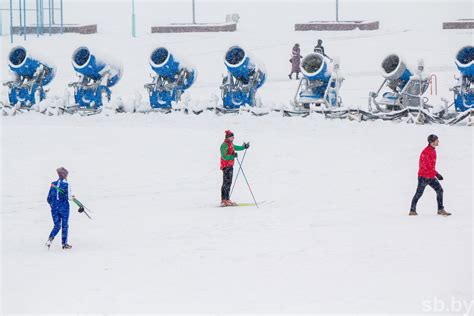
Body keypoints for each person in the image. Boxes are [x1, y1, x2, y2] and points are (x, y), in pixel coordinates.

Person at [409, 135, 451, 216]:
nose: (438, 142)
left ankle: (440, 209)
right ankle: (412, 210)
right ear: (432, 142)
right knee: (419, 193)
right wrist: (437, 174)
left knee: (440, 190)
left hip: (430, 176)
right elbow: (427, 166)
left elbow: (431, 167)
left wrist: (435, 174)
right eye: (437, 140)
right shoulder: (426, 152)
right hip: (423, 177)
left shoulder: (433, 150)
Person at [46, 167, 73, 249]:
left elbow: (48, 198)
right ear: (65, 175)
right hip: (64, 208)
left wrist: (53, 205)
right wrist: (73, 197)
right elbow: (69, 198)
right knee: (65, 225)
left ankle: (50, 239)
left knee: (57, 225)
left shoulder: (53, 184)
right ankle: (64, 244)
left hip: (54, 208)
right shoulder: (66, 184)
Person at [220, 130, 249, 206]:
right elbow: (224, 156)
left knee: (229, 182)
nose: (233, 138)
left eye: (233, 137)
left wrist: (243, 147)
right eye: (232, 137)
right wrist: (232, 156)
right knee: (226, 183)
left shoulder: (230, 144)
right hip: (225, 166)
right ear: (228, 137)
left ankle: (227, 199)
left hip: (230, 165)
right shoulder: (224, 145)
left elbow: (236, 147)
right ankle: (224, 200)